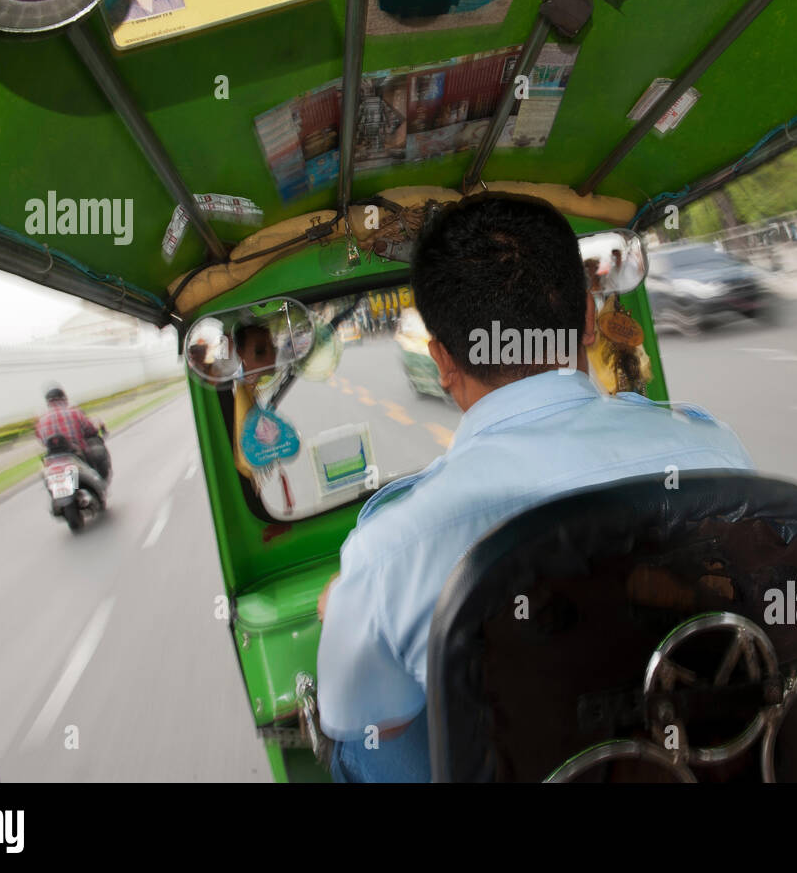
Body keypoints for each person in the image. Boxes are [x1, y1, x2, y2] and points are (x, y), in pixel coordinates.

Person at [316, 194, 752, 783]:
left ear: (442, 361)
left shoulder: (392, 549)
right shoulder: (713, 450)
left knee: (360, 744)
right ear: (590, 321)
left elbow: (373, 722)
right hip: (710, 758)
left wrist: (348, 608)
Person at [35, 386, 111, 480]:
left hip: (54, 460)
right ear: (64, 398)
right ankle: (99, 479)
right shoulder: (74, 413)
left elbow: (42, 441)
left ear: (48, 402)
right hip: (76, 454)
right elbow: (90, 430)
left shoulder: (41, 421)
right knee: (97, 450)